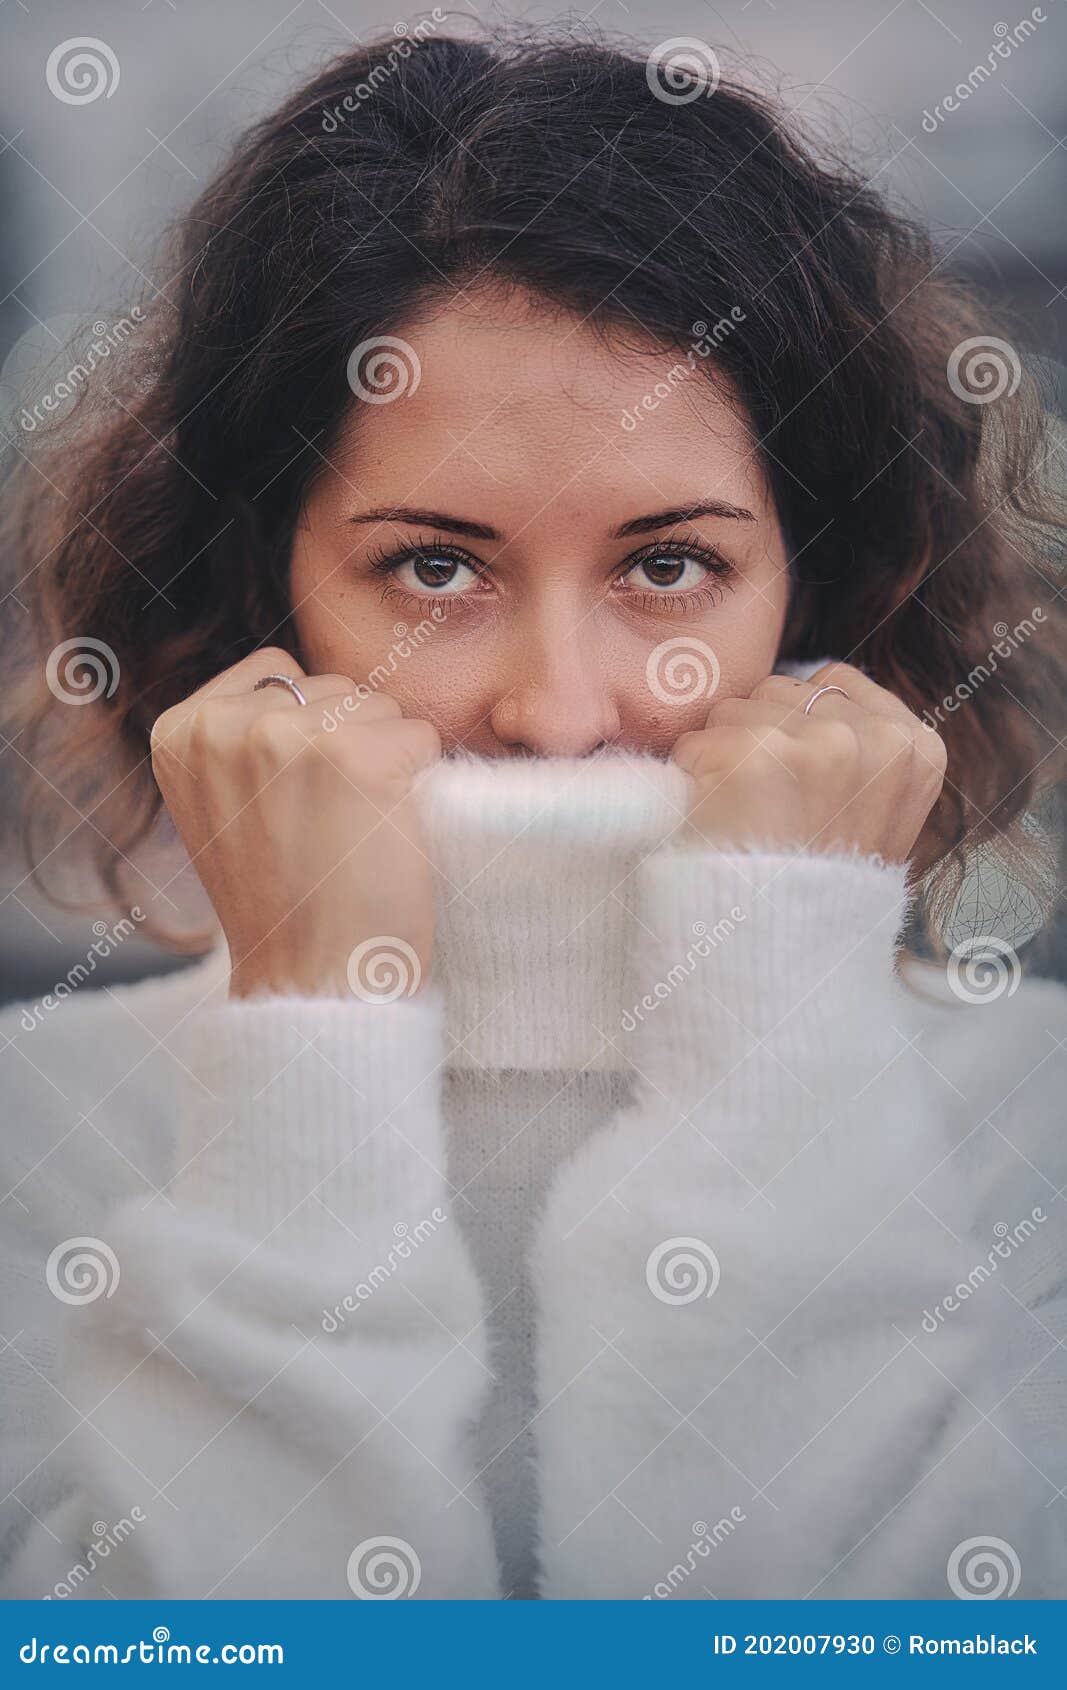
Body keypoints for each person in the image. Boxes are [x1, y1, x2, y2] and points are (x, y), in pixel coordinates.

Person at [1, 30, 1064, 1602]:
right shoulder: (42, 1131)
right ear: (262, 599)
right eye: (435, 569)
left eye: (668, 565)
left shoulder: (1031, 1117)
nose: (560, 710)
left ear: (816, 595)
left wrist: (778, 1014)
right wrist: (308, 1051)